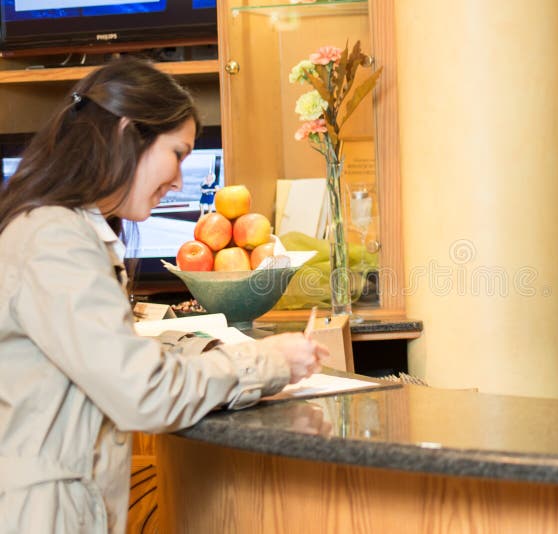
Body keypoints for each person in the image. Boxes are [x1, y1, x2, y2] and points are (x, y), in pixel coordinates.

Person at [0, 57, 330, 533]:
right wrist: (266, 364)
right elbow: (143, 391)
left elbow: (110, 354)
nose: (179, 180)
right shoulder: (55, 239)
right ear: (126, 133)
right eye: (178, 153)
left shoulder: (61, 231)